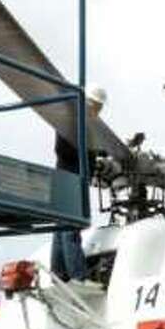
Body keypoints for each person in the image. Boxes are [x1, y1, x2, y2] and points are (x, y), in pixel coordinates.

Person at [50, 86, 107, 282]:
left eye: (99, 108)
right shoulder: (70, 120)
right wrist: (86, 154)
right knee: (71, 229)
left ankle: (59, 275)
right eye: (95, 106)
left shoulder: (86, 124)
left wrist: (99, 154)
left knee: (61, 230)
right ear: (87, 102)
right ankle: (79, 276)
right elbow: (61, 149)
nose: (97, 111)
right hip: (69, 177)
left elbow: (87, 150)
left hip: (69, 177)